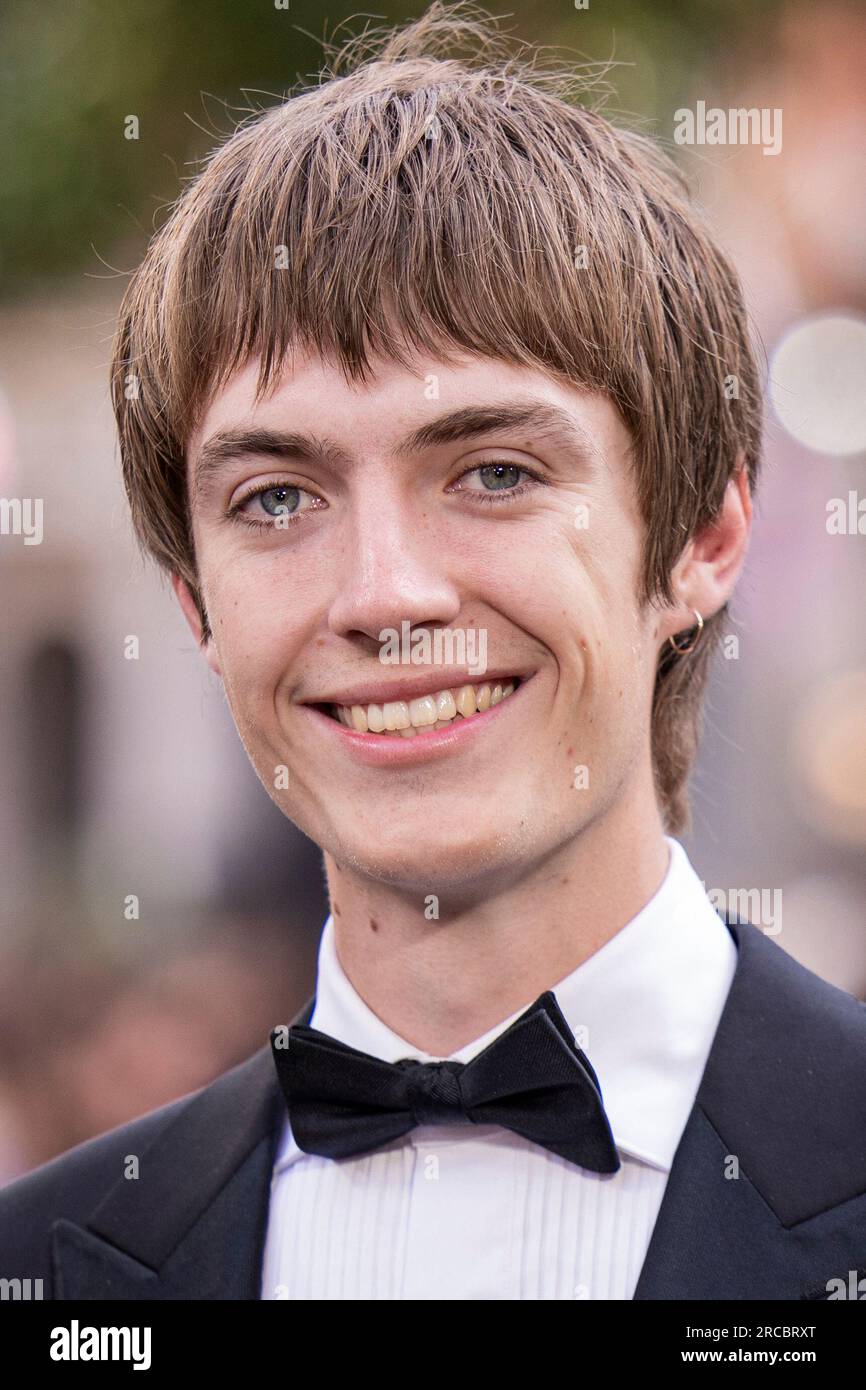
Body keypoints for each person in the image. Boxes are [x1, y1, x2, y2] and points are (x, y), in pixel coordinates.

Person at [1, 2, 864, 1301]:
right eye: (276, 498)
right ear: (191, 599)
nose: (382, 593)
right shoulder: (43, 1269)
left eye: (494, 471)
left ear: (700, 534)